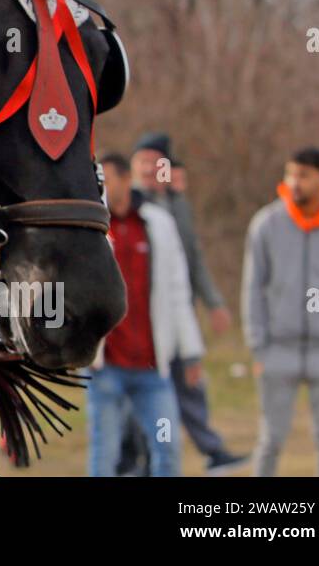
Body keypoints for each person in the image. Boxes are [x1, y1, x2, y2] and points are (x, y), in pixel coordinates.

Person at [120, 132, 248, 475]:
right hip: (138, 323)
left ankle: (209, 450)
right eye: (141, 162)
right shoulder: (123, 207)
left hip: (178, 314)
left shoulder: (177, 207)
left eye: (155, 163)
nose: (148, 169)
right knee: (142, 394)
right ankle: (136, 460)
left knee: (187, 385)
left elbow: (194, 260)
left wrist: (214, 303)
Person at [242, 147, 319, 477]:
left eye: (304, 175)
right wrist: (259, 345)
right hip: (277, 350)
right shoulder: (267, 224)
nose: (295, 182)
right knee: (270, 441)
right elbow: (253, 287)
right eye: (291, 173)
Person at [87, 154, 203, 477]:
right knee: (105, 455)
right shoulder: (93, 226)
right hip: (107, 369)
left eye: (108, 179)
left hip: (154, 370)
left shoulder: (159, 225)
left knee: (166, 450)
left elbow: (179, 289)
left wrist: (191, 352)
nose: (104, 187)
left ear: (126, 180)